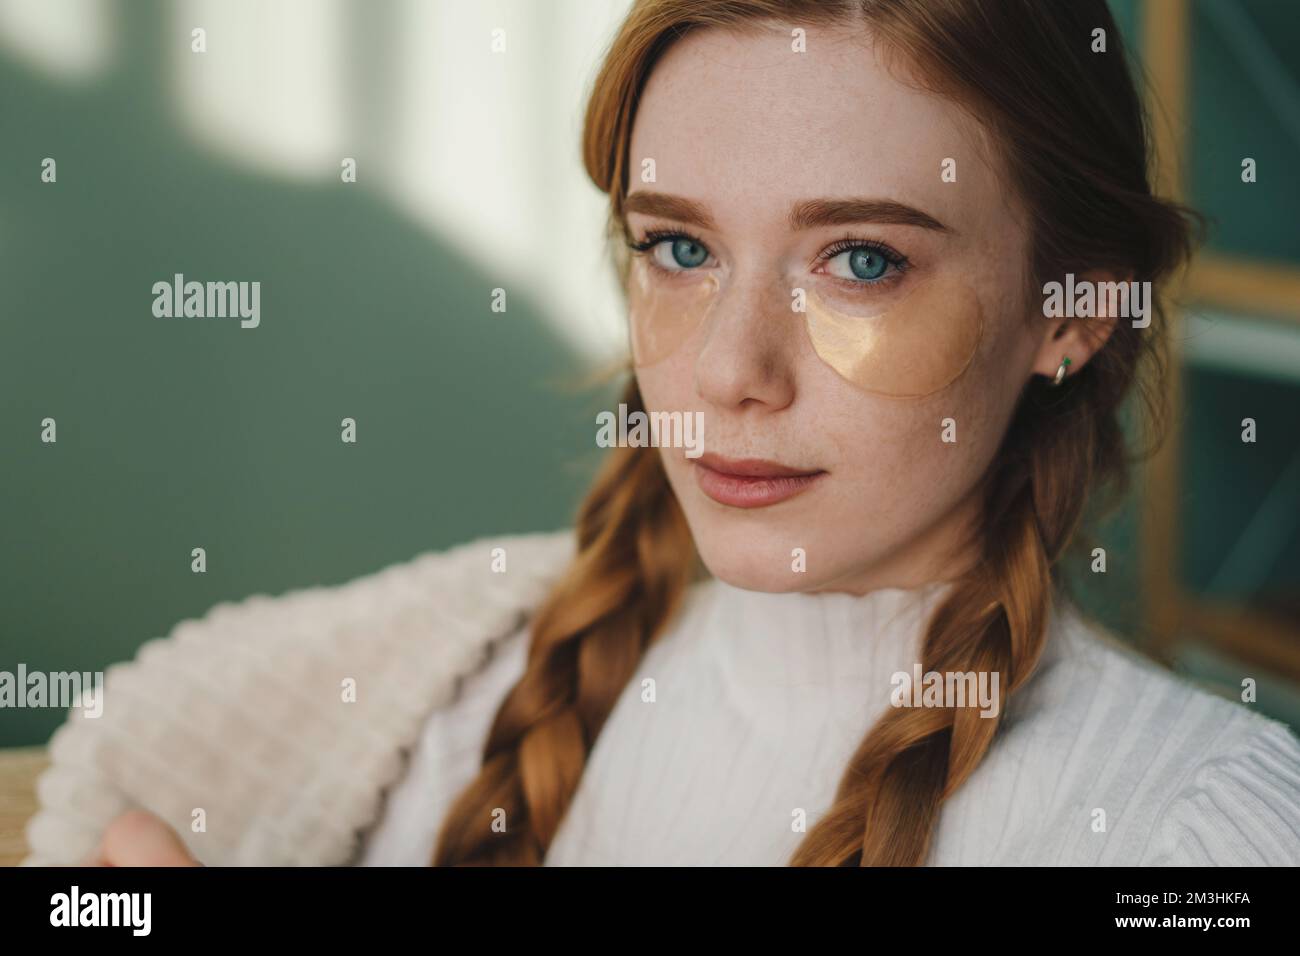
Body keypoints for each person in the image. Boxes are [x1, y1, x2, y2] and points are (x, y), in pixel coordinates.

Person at [25, 0, 1300, 868]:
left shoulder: (1200, 832)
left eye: (861, 259)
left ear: (1069, 312)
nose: (727, 371)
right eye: (679, 248)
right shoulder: (450, 690)